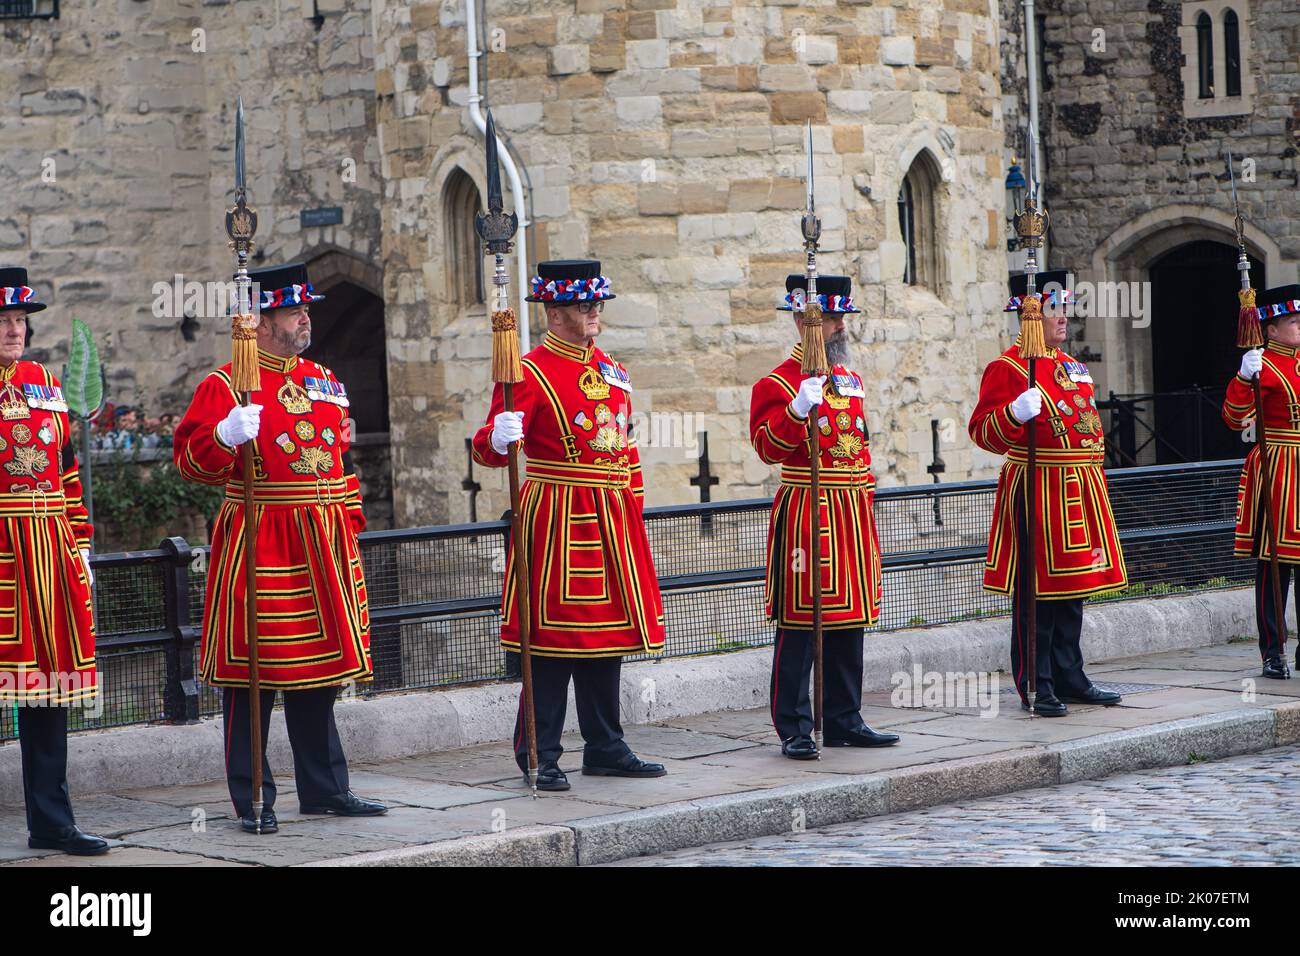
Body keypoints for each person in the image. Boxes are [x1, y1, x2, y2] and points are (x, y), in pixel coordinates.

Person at [174, 262, 385, 832]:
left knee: (319, 673)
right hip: (262, 534)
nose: (305, 319)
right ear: (260, 324)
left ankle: (326, 788)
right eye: (294, 312)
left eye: (305, 310)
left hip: (322, 538)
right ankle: (253, 796)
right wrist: (223, 436)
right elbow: (190, 461)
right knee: (255, 673)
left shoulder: (324, 381)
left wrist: (350, 520)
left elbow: (342, 461)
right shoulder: (225, 385)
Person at [471, 260, 667, 791]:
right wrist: (498, 436)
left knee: (607, 639)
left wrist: (632, 506)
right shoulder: (528, 371)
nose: (595, 313)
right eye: (585, 306)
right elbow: (489, 449)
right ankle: (541, 752)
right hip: (557, 514)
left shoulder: (609, 367)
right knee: (552, 641)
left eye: (597, 305)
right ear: (556, 313)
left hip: (610, 514)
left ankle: (605, 745)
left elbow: (623, 443)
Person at [748, 275, 898, 759]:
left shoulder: (849, 379)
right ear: (801, 321)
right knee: (800, 617)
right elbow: (768, 447)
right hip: (807, 512)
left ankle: (843, 716)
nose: (837, 328)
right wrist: (795, 410)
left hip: (851, 509)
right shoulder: (775, 382)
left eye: (840, 318)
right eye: (827, 318)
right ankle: (794, 724)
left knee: (848, 616)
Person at [968, 270, 1127, 716]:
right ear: (1030, 314)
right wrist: (1014, 413)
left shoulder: (1070, 366)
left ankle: (1069, 673)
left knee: (1072, 588)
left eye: (1064, 308)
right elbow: (983, 431)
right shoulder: (1008, 367)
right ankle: (1035, 682)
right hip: (1037, 487)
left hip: (1079, 486)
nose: (1064, 318)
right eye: (1055, 309)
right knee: (1036, 591)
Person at [0, 266, 108, 855]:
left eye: (20, 321)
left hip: (46, 554)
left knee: (46, 691)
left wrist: (80, 540)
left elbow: (65, 468)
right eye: (5, 321)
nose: (15, 331)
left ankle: (52, 820)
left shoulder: (43, 380)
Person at [1223, 283, 1300, 679]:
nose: (1299, 326)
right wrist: (1242, 377)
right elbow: (1235, 419)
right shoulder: (1262, 365)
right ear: (1271, 329)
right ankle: (1272, 650)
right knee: (1274, 565)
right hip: (1278, 468)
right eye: (1292, 320)